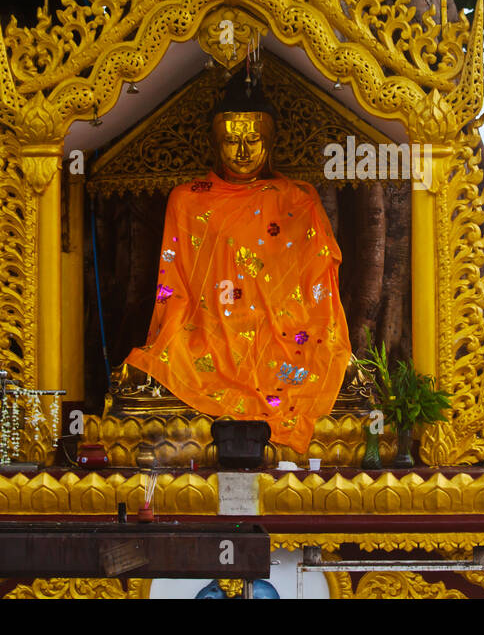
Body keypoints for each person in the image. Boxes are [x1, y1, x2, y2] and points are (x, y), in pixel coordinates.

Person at [115, 75, 351, 453]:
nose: (242, 151)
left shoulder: (298, 199)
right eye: (231, 141)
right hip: (205, 333)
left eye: (253, 140)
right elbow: (172, 286)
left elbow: (317, 282)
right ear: (214, 143)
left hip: (284, 338)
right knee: (143, 373)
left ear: (271, 142)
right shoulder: (187, 199)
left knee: (335, 367)